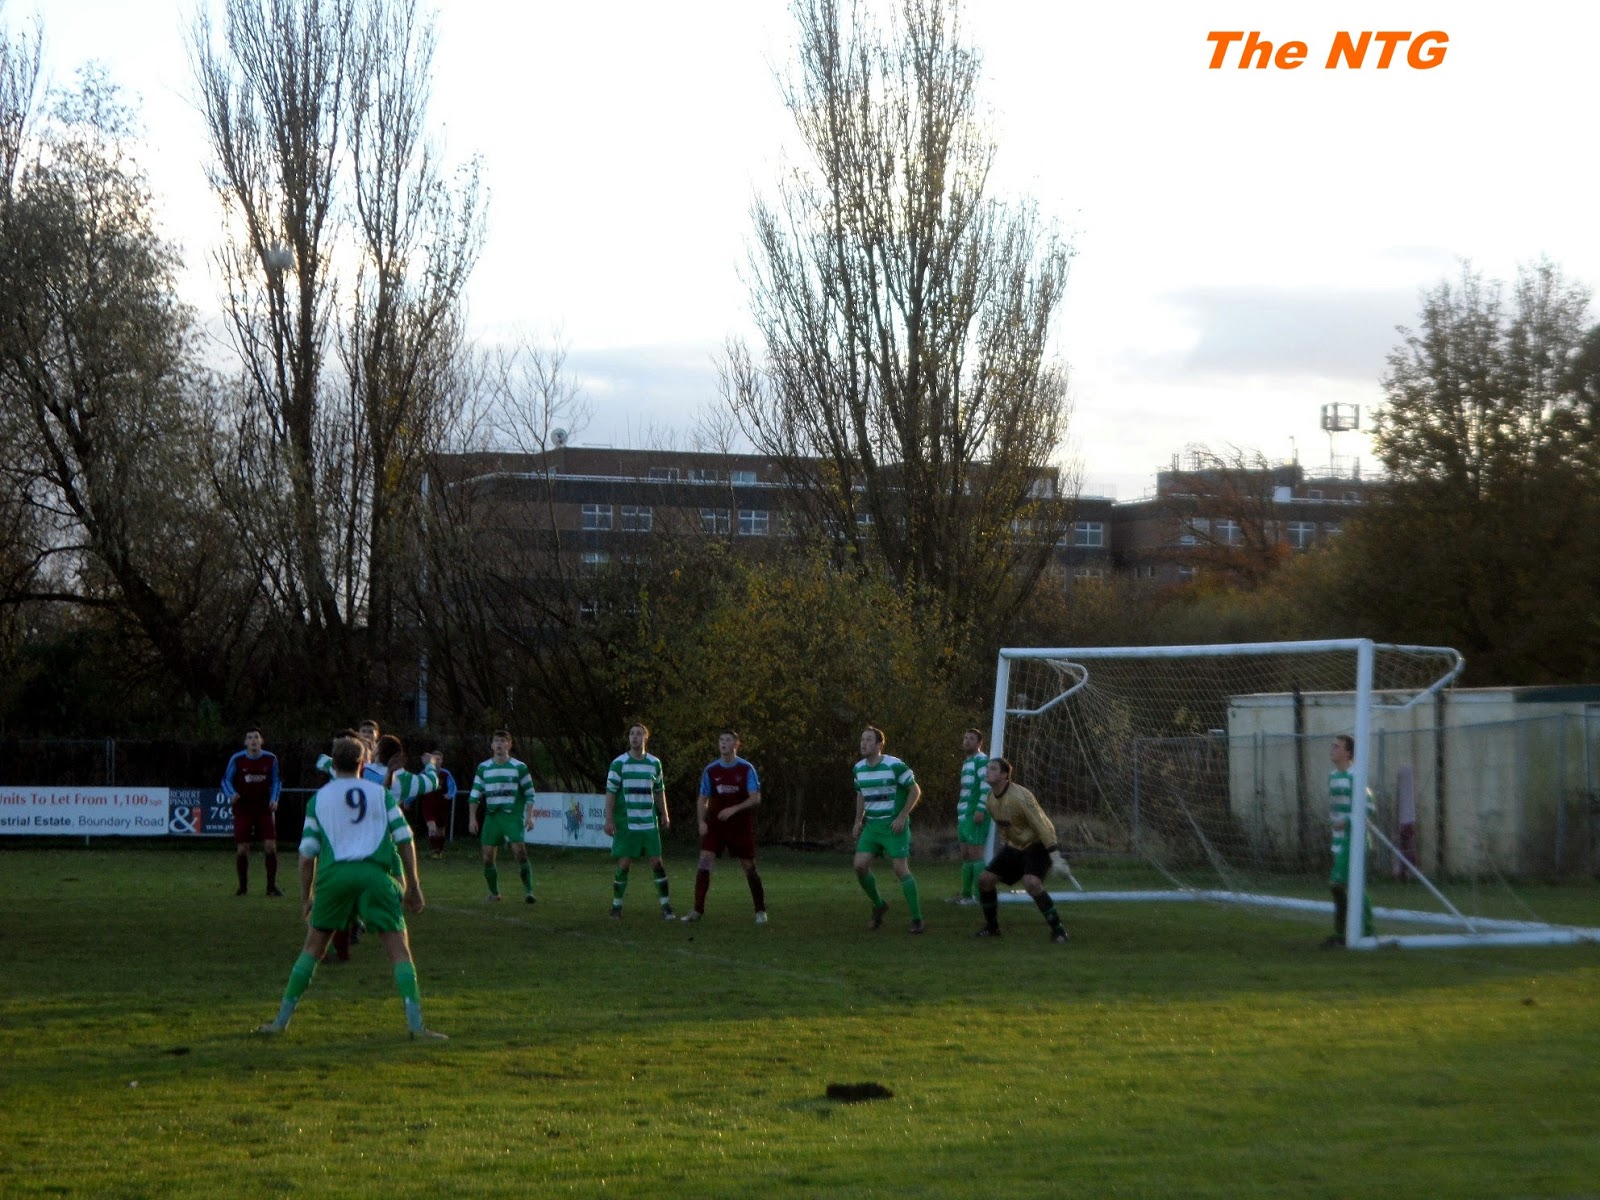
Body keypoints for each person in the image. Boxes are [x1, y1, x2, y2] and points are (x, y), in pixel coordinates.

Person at [255, 733, 445, 1040]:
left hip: (335, 878)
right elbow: (405, 839)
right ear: (363, 762)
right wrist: (414, 886)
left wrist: (307, 897)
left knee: (312, 949)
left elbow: (306, 857)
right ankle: (416, 1026)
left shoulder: (320, 799)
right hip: (375, 877)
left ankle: (280, 1022)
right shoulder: (379, 794)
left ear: (335, 762)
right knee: (399, 951)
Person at [973, 757, 1071, 943]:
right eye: (987, 769)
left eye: (993, 769)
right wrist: (1007, 848)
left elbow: (1044, 826)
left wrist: (1056, 857)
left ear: (1004, 775)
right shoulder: (990, 800)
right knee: (985, 880)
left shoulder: (1020, 797)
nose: (988, 772)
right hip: (1015, 846)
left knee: (1032, 883)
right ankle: (992, 928)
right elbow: (1005, 828)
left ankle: (1059, 931)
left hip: (1037, 844)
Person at [683, 728, 766, 924]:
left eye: (728, 740)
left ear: (737, 745)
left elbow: (755, 798)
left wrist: (735, 808)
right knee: (704, 861)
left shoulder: (746, 769)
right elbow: (702, 799)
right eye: (721, 739)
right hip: (716, 825)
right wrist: (701, 821)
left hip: (740, 826)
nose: (723, 743)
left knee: (748, 866)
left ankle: (760, 910)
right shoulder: (711, 770)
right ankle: (697, 910)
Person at [851, 725, 925, 934]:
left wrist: (902, 816)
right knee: (859, 866)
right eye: (862, 739)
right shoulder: (859, 768)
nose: (863, 743)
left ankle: (917, 919)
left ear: (879, 745)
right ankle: (879, 904)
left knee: (901, 870)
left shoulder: (895, 766)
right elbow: (861, 795)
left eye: (868, 740)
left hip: (893, 825)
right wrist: (858, 821)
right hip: (873, 826)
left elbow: (914, 790)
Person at [604, 722, 675, 920]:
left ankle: (666, 906)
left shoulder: (654, 763)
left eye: (638, 734)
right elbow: (610, 792)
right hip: (627, 822)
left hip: (648, 822)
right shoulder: (619, 763)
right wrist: (609, 819)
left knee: (657, 862)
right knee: (625, 863)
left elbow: (660, 790)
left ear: (645, 738)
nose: (634, 737)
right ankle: (616, 907)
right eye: (632, 734)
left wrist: (664, 814)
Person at [466, 730, 538, 903]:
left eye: (503, 741)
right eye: (496, 741)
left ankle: (529, 891)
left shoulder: (519, 767)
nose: (499, 744)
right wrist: (472, 818)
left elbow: (530, 793)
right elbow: (475, 794)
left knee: (519, 852)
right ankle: (494, 893)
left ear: (509, 745)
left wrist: (530, 816)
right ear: (491, 745)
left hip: (512, 816)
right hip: (492, 817)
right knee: (487, 856)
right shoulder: (484, 768)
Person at [1325, 733, 1375, 948]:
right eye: (1332, 746)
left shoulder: (1357, 776)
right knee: (1350, 886)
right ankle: (1351, 932)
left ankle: (1356, 931)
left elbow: (1369, 807)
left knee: (1338, 883)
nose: (1332, 749)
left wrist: (1347, 822)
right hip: (1338, 840)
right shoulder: (1333, 776)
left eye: (1337, 746)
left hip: (1353, 839)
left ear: (1348, 753)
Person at [222, 727, 283, 897]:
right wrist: (231, 793)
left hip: (264, 808)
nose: (253, 740)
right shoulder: (238, 759)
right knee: (243, 848)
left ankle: (271, 887)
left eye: (256, 737)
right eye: (249, 737)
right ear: (245, 742)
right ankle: (243, 887)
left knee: (270, 846)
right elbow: (226, 779)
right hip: (244, 808)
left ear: (261, 740)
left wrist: (274, 799)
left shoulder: (270, 758)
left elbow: (276, 780)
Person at [951, 727, 990, 906]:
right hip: (964, 814)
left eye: (971, 738)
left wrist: (980, 808)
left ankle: (980, 896)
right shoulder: (967, 761)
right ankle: (966, 895)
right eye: (965, 738)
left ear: (979, 743)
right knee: (966, 854)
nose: (967, 741)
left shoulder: (981, 760)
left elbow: (986, 784)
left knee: (976, 854)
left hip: (975, 813)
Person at [417, 747, 458, 858]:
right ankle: (434, 850)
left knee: (441, 831)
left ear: (442, 761)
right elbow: (416, 785)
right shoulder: (425, 773)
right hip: (428, 805)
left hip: (442, 805)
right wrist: (408, 800)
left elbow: (452, 786)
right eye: (434, 759)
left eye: (438, 759)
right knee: (432, 827)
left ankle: (439, 850)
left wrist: (450, 794)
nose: (436, 761)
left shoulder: (445, 774)